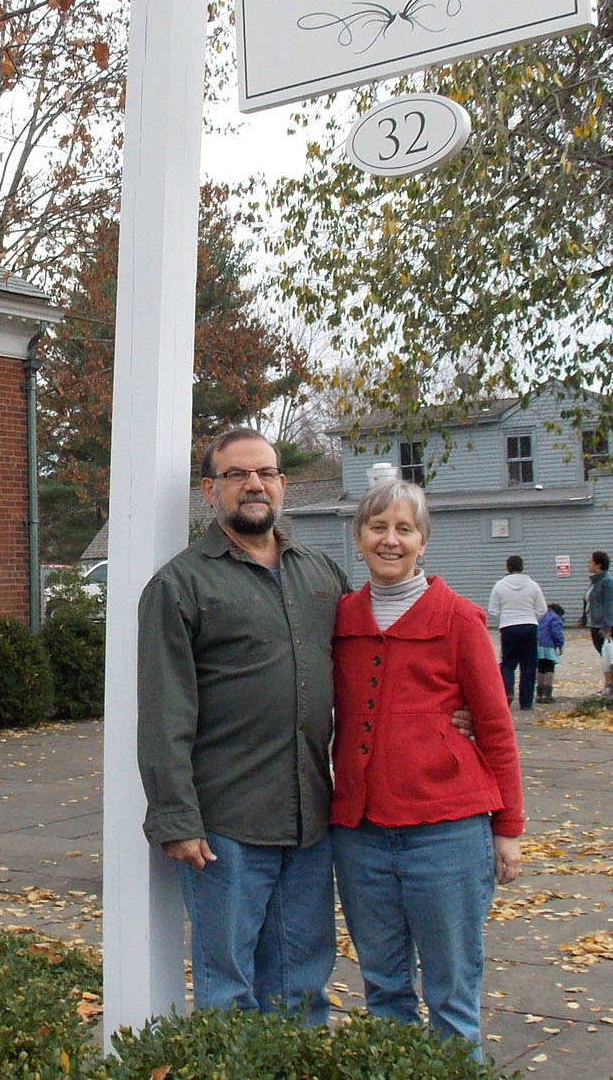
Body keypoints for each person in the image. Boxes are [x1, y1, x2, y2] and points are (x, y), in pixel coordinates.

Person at [136, 428, 349, 1023]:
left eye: (266, 473)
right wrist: (176, 817)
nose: (254, 484)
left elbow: (375, 662)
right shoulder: (180, 585)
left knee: (303, 986)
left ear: (282, 485)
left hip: (310, 820)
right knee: (228, 994)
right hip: (224, 830)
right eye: (236, 475)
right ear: (210, 490)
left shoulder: (322, 574)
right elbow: (162, 713)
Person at [331, 479, 523, 1054]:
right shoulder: (340, 619)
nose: (390, 540)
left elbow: (494, 728)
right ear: (360, 537)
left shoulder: (459, 618)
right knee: (383, 988)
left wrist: (508, 829)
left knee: (451, 992)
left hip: (448, 833)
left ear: (423, 541)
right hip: (361, 837)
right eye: (378, 527)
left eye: (404, 529)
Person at [487, 554, 547, 709]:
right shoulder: (533, 585)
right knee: (529, 664)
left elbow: (492, 610)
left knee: (507, 663)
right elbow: (542, 609)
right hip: (529, 625)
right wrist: (532, 617)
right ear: (522, 567)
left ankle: (507, 692)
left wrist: (504, 618)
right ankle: (526, 701)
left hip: (508, 626)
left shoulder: (500, 585)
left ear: (507, 567)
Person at [584, 552, 613, 665]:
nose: (588, 564)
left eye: (591, 562)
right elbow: (588, 601)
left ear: (598, 565)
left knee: (609, 656)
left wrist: (606, 627)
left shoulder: (607, 582)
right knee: (604, 656)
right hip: (595, 623)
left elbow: (610, 605)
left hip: (604, 626)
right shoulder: (595, 582)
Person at [536, 602, 565, 704]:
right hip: (548, 646)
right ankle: (547, 694)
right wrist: (560, 645)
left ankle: (539, 694)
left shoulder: (539, 616)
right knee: (549, 669)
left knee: (540, 669)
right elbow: (556, 633)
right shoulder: (555, 618)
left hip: (537, 645)